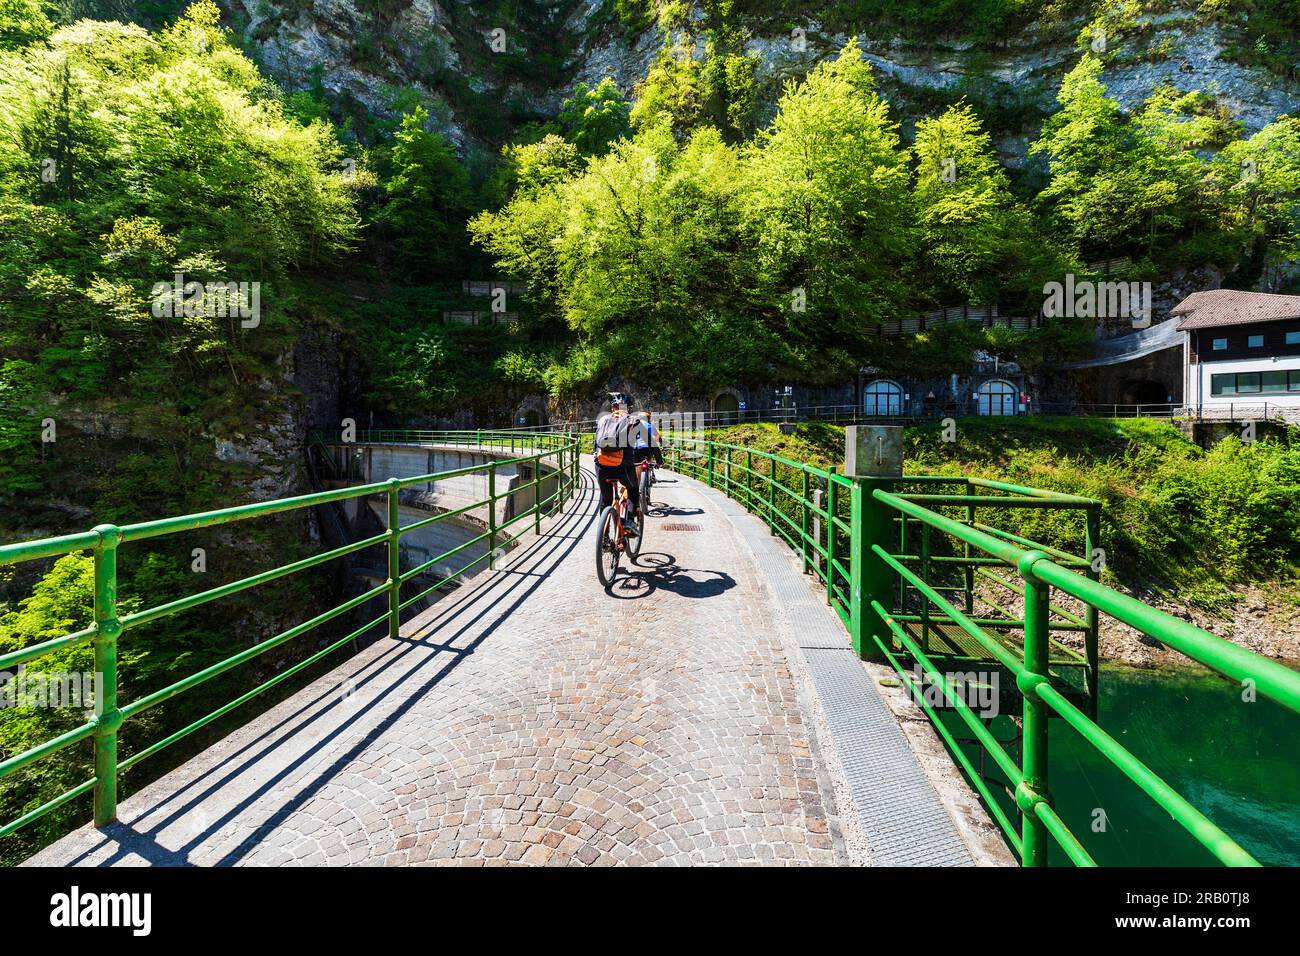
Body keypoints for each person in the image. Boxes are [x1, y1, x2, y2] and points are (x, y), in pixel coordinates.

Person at [593, 394, 647, 535]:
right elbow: (649, 443)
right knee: (633, 489)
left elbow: (596, 445)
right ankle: (629, 520)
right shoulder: (633, 420)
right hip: (622, 467)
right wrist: (659, 460)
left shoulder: (602, 420)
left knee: (605, 500)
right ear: (628, 408)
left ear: (613, 408)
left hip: (602, 466)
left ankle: (603, 536)